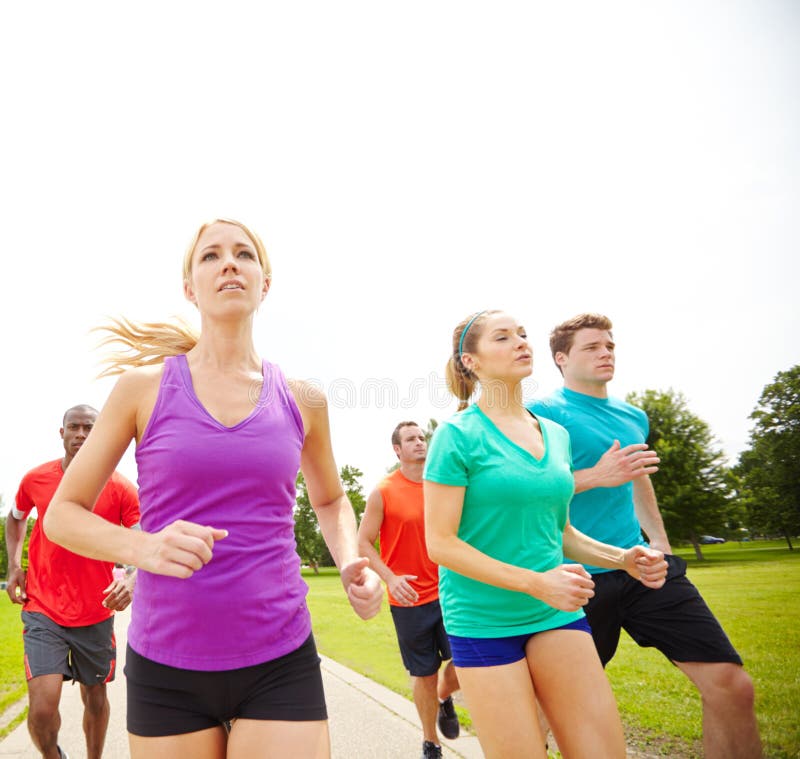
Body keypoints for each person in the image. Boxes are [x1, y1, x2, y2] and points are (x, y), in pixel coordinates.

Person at [43, 219, 383, 759]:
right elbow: (61, 515)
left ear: (263, 283)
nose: (229, 262)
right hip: (167, 666)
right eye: (211, 256)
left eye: (244, 254)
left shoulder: (304, 400)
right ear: (189, 287)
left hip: (280, 656)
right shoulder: (141, 391)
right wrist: (143, 548)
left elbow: (330, 499)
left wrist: (348, 560)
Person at [423, 310, 668, 759]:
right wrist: (537, 582)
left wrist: (624, 558)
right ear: (471, 362)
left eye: (522, 334)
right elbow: (441, 543)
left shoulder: (555, 434)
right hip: (482, 620)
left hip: (555, 610)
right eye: (503, 337)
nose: (521, 342)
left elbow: (561, 531)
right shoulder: (456, 436)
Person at [527, 312, 762, 759]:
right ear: (561, 359)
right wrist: (596, 475)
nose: (606, 353)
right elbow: (527, 492)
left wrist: (661, 544)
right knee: (548, 706)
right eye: (592, 347)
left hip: (642, 568)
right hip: (575, 576)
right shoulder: (541, 414)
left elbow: (637, 479)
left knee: (731, 685)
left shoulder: (632, 415)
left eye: (610, 345)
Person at [6, 404, 140, 759]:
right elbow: (16, 517)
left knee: (95, 696)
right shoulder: (36, 479)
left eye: (89, 428)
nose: (81, 434)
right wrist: (14, 565)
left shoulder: (121, 488)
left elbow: (144, 538)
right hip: (43, 608)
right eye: (74, 427)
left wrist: (133, 578)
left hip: (95, 612)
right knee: (42, 709)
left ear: (99, 433)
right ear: (62, 432)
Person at [358, 421, 460, 759]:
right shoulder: (383, 491)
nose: (419, 442)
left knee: (467, 662)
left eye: (422, 437)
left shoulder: (442, 483)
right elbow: (363, 543)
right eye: (411, 439)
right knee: (424, 673)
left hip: (450, 592)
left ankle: (446, 697)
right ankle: (431, 741)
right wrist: (390, 578)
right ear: (397, 450)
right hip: (409, 599)